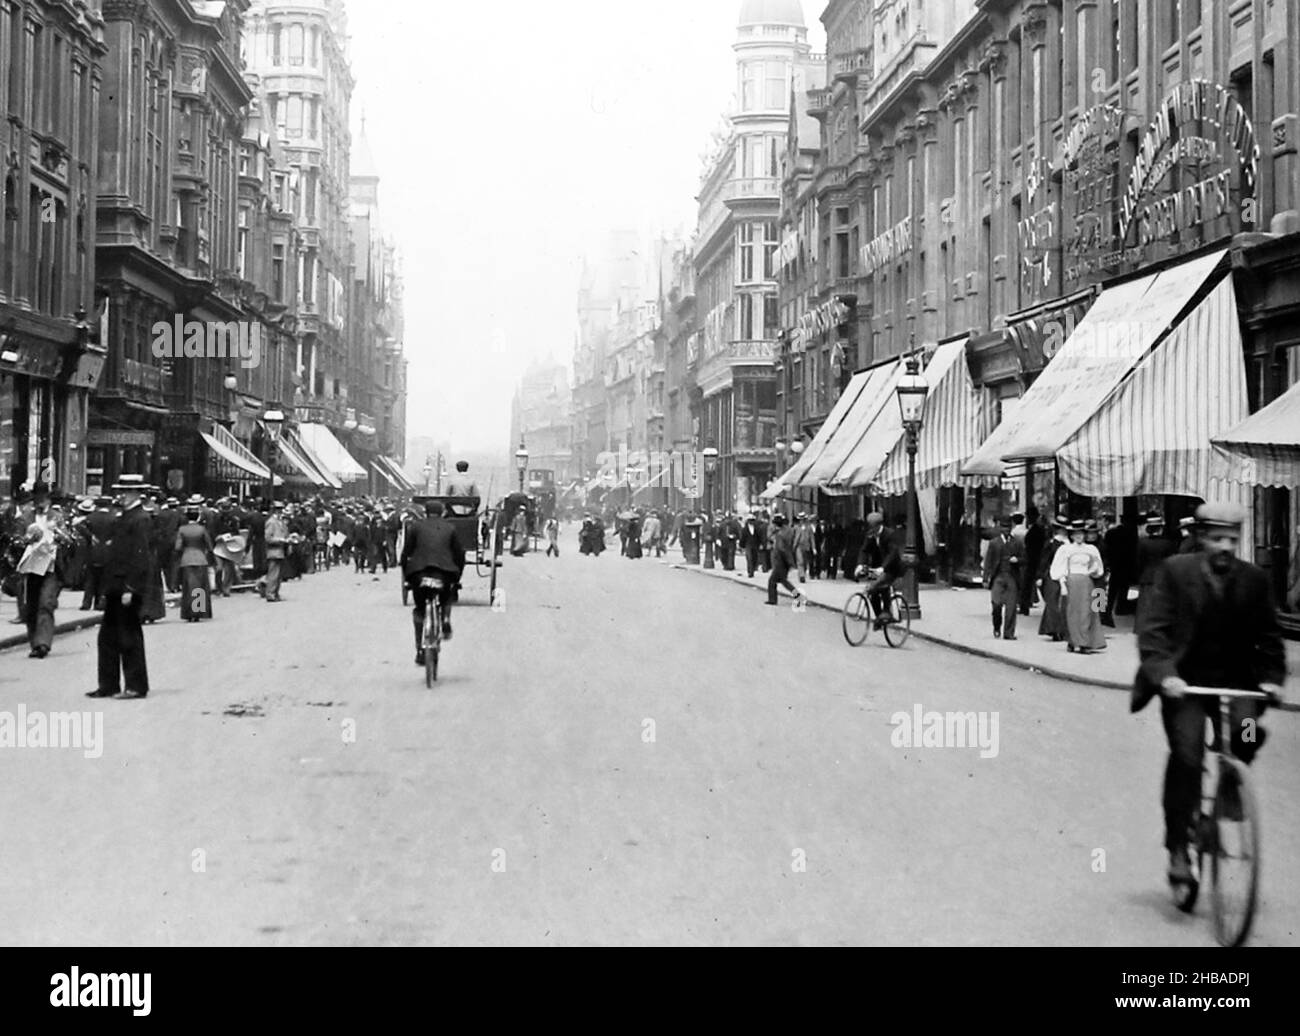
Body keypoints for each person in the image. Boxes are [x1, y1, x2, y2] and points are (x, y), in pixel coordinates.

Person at [1134, 502, 1287, 889]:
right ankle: (1178, 848)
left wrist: (1271, 679)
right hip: (1186, 686)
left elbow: (1269, 638)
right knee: (1187, 757)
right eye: (1218, 539)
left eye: (1232, 540)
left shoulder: (1254, 580)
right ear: (1203, 539)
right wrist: (1165, 675)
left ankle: (1233, 783)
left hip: (1237, 684)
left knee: (1249, 732)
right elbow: (1154, 632)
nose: (1226, 547)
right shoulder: (1175, 572)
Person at [87, 478, 153, 700]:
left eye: (126, 492)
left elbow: (140, 556)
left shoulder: (141, 519)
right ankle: (108, 684)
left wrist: (131, 587)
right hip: (115, 585)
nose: (121, 495)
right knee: (107, 638)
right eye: (120, 491)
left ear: (137, 493)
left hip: (126, 586)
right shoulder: (124, 517)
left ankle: (136, 686)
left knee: (129, 637)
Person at [401, 500, 467, 666]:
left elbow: (406, 553)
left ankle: (419, 649)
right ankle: (445, 618)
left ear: (425, 512)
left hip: (419, 573)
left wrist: (407, 576)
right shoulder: (450, 528)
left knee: (419, 610)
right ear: (443, 512)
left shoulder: (415, 527)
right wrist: (457, 576)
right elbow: (459, 555)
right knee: (445, 598)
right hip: (444, 573)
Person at [16, 495, 64, 659]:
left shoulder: (56, 517)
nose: (41, 504)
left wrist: (57, 535)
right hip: (30, 568)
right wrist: (27, 539)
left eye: (44, 500)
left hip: (50, 568)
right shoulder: (24, 519)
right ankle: (35, 643)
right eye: (38, 501)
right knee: (31, 606)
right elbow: (16, 540)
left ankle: (43, 643)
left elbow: (68, 540)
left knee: (46, 603)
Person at [1050, 520, 1106, 653]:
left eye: (1081, 534)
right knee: (1072, 612)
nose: (1079, 536)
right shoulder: (1066, 549)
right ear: (1072, 535)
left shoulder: (1091, 549)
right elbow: (1060, 567)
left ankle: (1085, 642)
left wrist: (1093, 571)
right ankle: (1073, 640)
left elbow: (1098, 566)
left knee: (1087, 612)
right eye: (1076, 534)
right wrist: (1062, 584)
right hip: (1072, 582)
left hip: (1086, 582)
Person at [855, 513, 904, 628]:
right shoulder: (870, 535)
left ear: (879, 526)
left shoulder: (890, 534)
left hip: (892, 567)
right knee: (873, 592)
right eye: (870, 527)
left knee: (880, 584)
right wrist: (860, 565)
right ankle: (880, 617)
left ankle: (887, 612)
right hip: (877, 567)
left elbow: (893, 553)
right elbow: (864, 550)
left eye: (874, 528)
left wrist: (883, 567)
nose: (872, 531)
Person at [982, 516, 1025, 640]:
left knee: (1011, 607)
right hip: (998, 577)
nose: (1006, 530)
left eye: (1008, 528)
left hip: (1012, 577)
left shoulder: (1017, 542)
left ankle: (1009, 633)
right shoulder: (994, 543)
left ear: (1011, 528)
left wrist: (1018, 560)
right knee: (996, 604)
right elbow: (988, 562)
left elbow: (1025, 558)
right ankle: (997, 626)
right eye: (1003, 527)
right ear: (1000, 528)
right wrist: (985, 578)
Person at [1134, 513, 1176, 633]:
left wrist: (1139, 574)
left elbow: (1139, 561)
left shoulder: (1142, 543)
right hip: (1163, 577)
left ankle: (1142, 628)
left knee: (1145, 605)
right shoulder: (1168, 543)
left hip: (1147, 576)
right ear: (1160, 529)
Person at [175, 505, 214, 622]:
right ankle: (198, 611)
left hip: (186, 559)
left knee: (188, 587)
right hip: (201, 559)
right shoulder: (202, 529)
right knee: (199, 587)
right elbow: (209, 546)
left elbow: (178, 547)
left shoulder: (182, 529)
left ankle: (188, 612)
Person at [1035, 516, 1069, 642]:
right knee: (1053, 602)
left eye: (1064, 529)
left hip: (1067, 574)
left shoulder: (1069, 543)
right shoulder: (1051, 544)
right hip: (1052, 574)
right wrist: (1039, 576)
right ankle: (1054, 629)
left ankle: (1064, 629)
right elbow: (1044, 560)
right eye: (1060, 529)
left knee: (1065, 602)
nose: (1062, 531)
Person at [80, 496, 115, 611]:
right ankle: (101, 602)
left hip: (92, 552)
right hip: (107, 552)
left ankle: (86, 602)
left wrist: (90, 536)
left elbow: (79, 526)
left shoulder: (90, 517)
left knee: (90, 579)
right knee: (104, 580)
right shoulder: (113, 518)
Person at [765, 513, 805, 607]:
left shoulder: (780, 535)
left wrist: (786, 561)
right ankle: (798, 597)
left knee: (772, 581)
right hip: (785, 561)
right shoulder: (789, 531)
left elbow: (781, 549)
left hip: (780, 561)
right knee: (783, 581)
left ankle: (773, 599)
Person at [1019, 506, 1046, 615]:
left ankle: (1025, 605)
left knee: (1029, 583)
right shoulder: (1037, 529)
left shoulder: (1036, 530)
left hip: (1033, 559)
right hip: (1034, 559)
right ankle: (1025, 605)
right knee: (1029, 584)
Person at [263, 503, 289, 603]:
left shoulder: (281, 521)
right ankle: (270, 594)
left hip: (281, 551)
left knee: (278, 575)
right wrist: (281, 540)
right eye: (278, 509)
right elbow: (268, 538)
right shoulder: (271, 522)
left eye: (281, 509)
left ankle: (276, 593)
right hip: (274, 551)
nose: (280, 511)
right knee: (273, 574)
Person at [793, 513, 815, 584]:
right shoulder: (796, 527)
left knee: (805, 563)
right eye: (800, 519)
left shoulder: (809, 528)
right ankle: (802, 576)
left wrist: (813, 548)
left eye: (803, 519)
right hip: (798, 546)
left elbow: (812, 538)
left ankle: (802, 574)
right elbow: (793, 537)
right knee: (800, 561)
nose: (801, 521)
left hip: (806, 547)